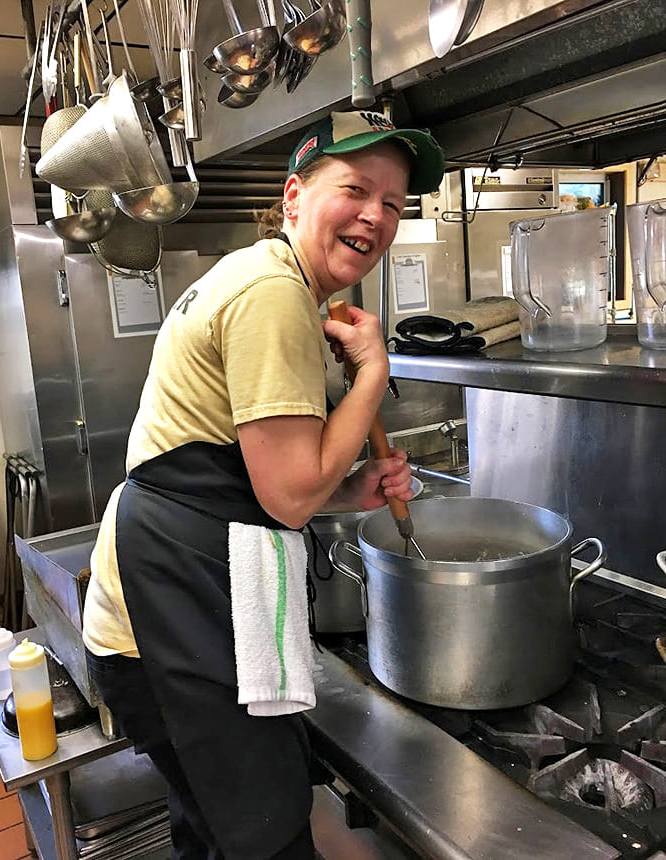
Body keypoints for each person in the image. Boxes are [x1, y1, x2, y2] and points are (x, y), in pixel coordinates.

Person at [82, 110, 445, 860]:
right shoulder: (273, 294)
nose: (376, 216)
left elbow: (262, 476)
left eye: (395, 205)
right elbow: (286, 496)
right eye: (356, 189)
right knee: (262, 838)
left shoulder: (269, 281)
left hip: (165, 603)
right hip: (169, 616)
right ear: (293, 198)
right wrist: (374, 376)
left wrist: (349, 490)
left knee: (217, 831)